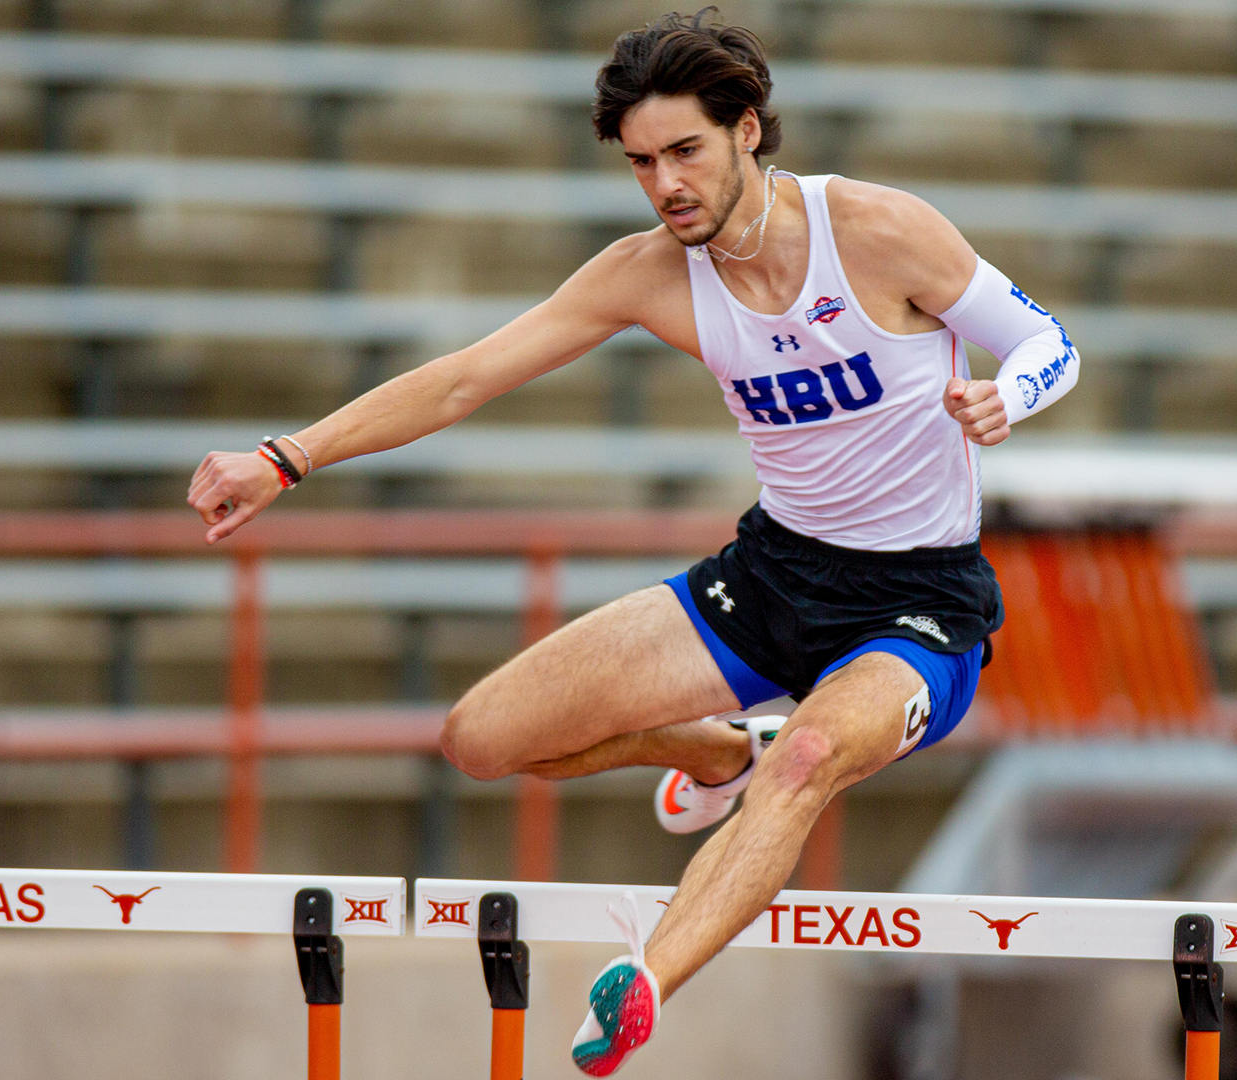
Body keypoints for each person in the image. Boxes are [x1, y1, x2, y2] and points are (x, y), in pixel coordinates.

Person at [185, 10, 1078, 1075]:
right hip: (771, 575)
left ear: (748, 130)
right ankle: (717, 751)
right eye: (642, 163)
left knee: (806, 759)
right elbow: (465, 379)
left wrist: (1009, 396)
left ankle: (644, 982)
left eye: (685, 152)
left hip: (918, 605)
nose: (666, 186)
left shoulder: (878, 230)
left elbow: (1049, 340)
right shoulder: (648, 272)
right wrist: (289, 456)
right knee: (483, 739)